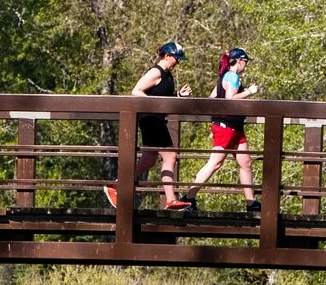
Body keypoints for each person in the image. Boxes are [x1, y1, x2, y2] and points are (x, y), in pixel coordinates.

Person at [106, 42, 190, 210]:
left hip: (155, 118)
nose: (178, 62)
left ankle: (115, 185)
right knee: (170, 156)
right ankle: (171, 199)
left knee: (149, 160)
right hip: (150, 118)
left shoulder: (167, 74)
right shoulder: (155, 72)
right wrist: (152, 105)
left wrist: (179, 95)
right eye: (176, 58)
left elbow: (162, 98)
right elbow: (136, 91)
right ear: (167, 56)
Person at [184, 47, 260, 209]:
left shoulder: (223, 77)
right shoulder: (233, 77)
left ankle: (251, 202)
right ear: (239, 61)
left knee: (245, 162)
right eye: (245, 62)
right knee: (215, 163)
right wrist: (249, 92)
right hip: (227, 127)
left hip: (234, 126)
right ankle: (189, 197)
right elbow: (230, 99)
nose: (246, 66)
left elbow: (212, 97)